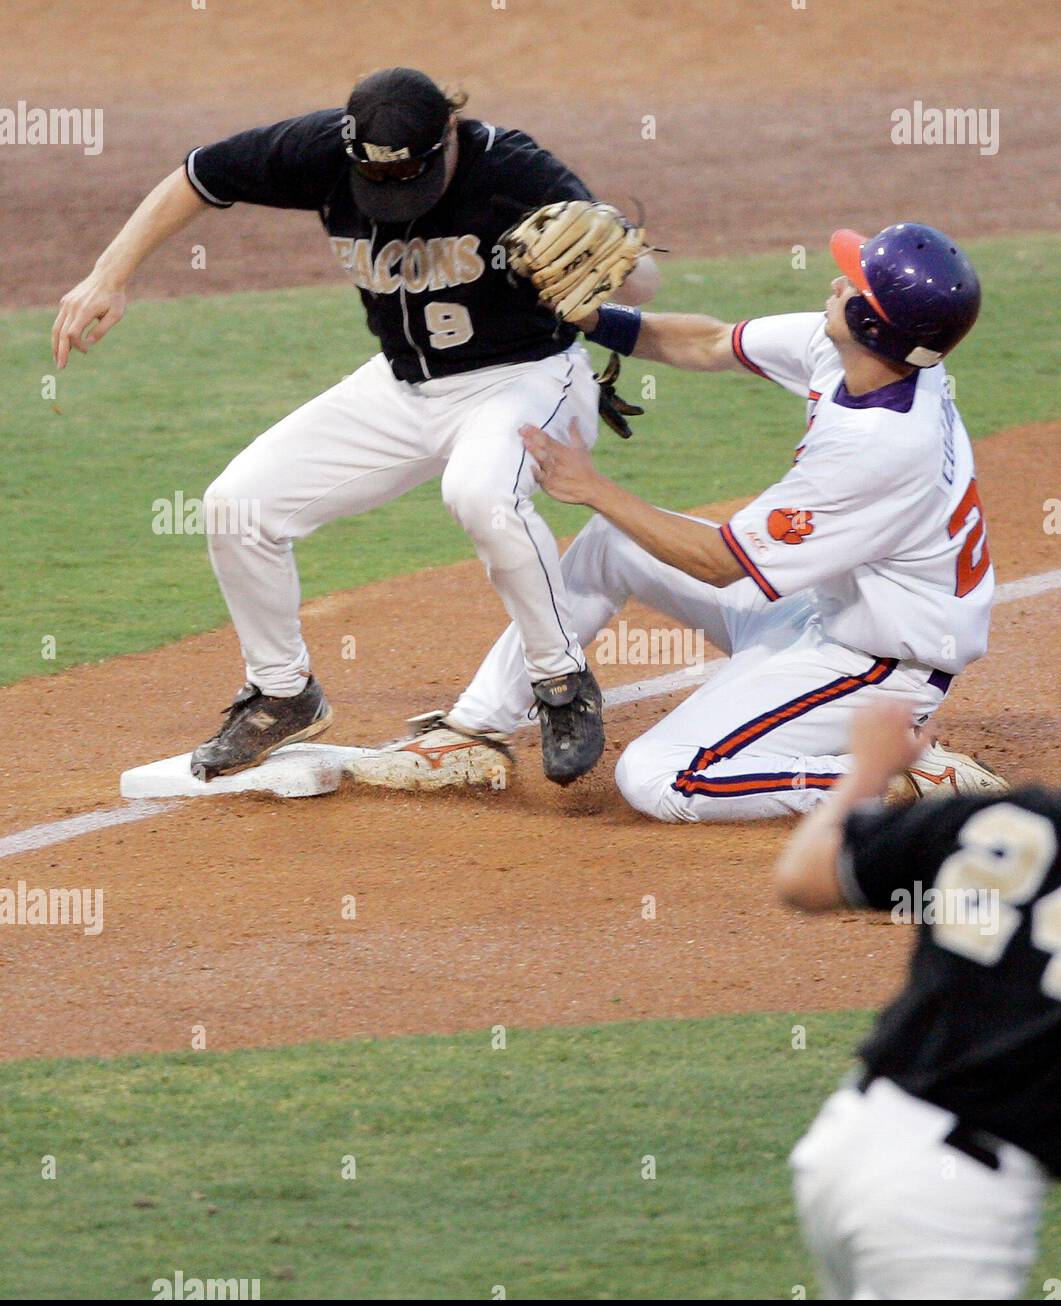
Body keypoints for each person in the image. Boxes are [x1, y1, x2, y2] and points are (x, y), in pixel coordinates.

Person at [51, 67, 658, 786]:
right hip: (400, 386)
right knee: (237, 505)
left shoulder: (515, 169)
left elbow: (639, 282)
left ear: (449, 137)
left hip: (524, 378)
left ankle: (559, 681)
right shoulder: (318, 150)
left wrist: (623, 265)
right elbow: (197, 175)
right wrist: (108, 275)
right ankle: (283, 693)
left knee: (479, 495)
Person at [349, 223, 1007, 821]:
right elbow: (712, 341)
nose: (838, 281)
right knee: (613, 545)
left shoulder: (883, 449)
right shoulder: (860, 354)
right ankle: (474, 734)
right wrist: (593, 318)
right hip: (825, 612)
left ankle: (892, 775)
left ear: (872, 321)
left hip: (877, 669)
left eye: (855, 283)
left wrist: (591, 486)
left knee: (661, 778)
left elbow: (721, 560)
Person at [775, 627, 1061, 1298]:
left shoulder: (987, 822)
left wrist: (868, 772)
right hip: (952, 1208)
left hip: (842, 1147)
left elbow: (800, 878)